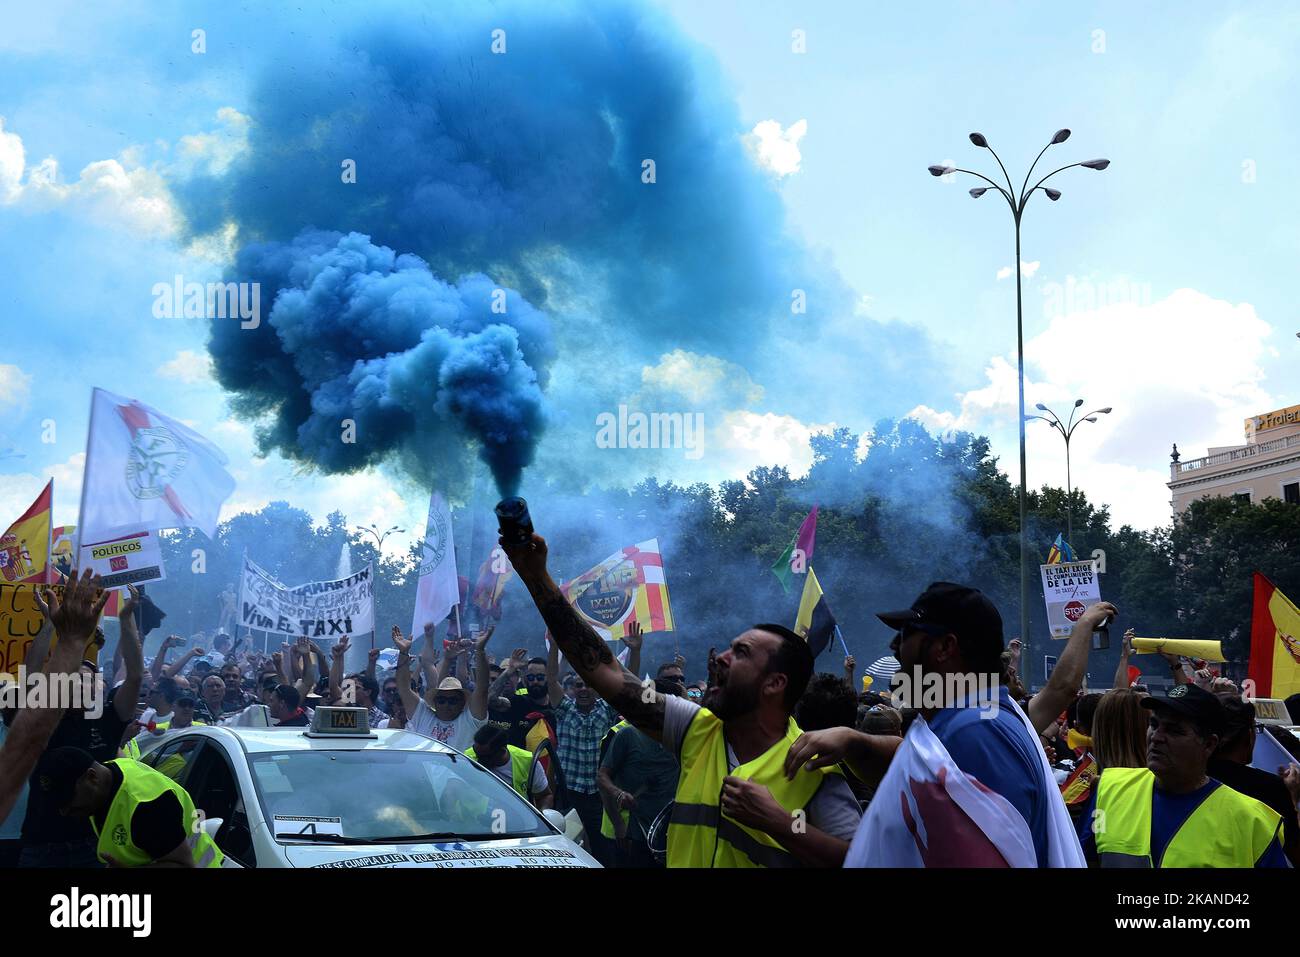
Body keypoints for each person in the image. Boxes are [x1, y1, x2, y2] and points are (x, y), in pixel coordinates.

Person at [501, 529, 861, 867]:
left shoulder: (815, 767)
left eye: (741, 652)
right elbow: (607, 671)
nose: (720, 657)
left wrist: (783, 824)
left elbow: (858, 858)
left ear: (774, 683)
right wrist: (537, 579)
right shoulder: (695, 729)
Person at [787, 583, 1083, 867]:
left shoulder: (975, 733)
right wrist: (854, 742)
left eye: (907, 634)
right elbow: (923, 778)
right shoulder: (977, 717)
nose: (894, 645)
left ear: (944, 647)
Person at [16, 581, 145, 867]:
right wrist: (49, 623)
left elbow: (136, 676)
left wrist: (126, 619)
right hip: (42, 845)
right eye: (75, 675)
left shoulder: (107, 719)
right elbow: (30, 675)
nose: (83, 681)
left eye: (90, 677)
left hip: (96, 844)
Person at [1086, 685, 1287, 867]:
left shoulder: (1253, 822)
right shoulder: (1110, 790)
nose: (1156, 737)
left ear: (1209, 744)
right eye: (1154, 725)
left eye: (1174, 731)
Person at [0, 569, 109, 829]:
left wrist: (65, 633)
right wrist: (67, 635)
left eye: (88, 680)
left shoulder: (91, 722)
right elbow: (31, 679)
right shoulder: (35, 733)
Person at [35, 746, 223, 867]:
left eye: (68, 799)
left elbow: (182, 865)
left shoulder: (148, 806)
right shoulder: (107, 776)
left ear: (92, 778)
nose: (64, 810)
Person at [597, 678, 682, 867]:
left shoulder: (681, 738)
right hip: (635, 834)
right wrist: (619, 824)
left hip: (671, 833)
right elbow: (602, 777)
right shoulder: (627, 735)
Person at [1207, 693, 1299, 866]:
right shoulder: (1271, 789)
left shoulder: (1187, 778)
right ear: (1249, 736)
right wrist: (1293, 799)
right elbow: (1293, 851)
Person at [392, 625, 490, 749]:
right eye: (441, 700)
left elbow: (482, 688)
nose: (446, 705)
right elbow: (403, 688)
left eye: (453, 700)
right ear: (435, 701)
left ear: (462, 702)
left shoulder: (471, 720)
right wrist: (403, 653)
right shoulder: (423, 716)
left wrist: (480, 651)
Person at [465, 724, 552, 809]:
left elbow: (545, 796)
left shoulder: (528, 762)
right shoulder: (467, 757)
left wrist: (542, 815)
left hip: (515, 819)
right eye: (476, 752)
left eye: (485, 757)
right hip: (473, 819)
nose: (478, 759)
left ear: (502, 752)